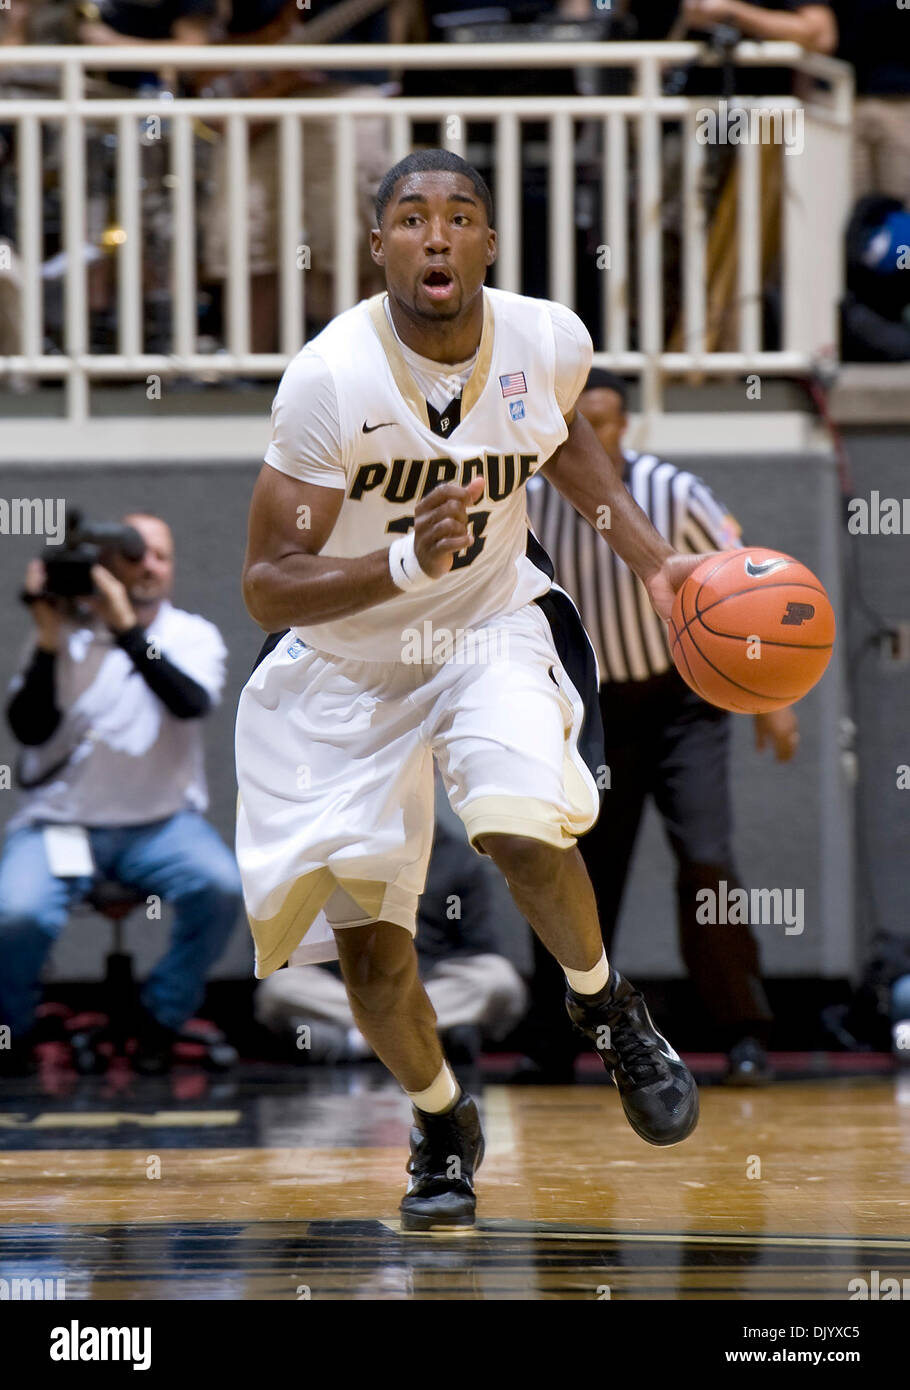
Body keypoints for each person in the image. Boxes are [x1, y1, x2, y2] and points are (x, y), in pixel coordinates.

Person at [235, 149, 705, 1234]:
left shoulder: (544, 340)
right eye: (410, 216)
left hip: (484, 630)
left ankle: (607, 1007)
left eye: (458, 216)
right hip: (343, 669)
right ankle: (442, 1121)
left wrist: (649, 559)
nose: (435, 234)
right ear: (380, 245)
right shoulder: (327, 380)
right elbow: (266, 585)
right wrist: (399, 565)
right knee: (369, 953)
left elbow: (561, 436)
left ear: (488, 244)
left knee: (514, 822)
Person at [525, 369, 799, 1085]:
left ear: (625, 426)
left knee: (707, 857)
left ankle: (742, 1032)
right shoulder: (528, 500)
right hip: (593, 712)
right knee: (580, 870)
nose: (601, 433)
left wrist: (773, 699)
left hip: (683, 707)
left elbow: (745, 588)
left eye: (610, 420)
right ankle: (557, 1041)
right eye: (586, 421)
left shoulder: (672, 492)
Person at [0, 513, 242, 1076]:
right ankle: (15, 1030)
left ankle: (160, 1018)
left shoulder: (190, 635)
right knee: (16, 914)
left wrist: (127, 628)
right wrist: (47, 635)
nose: (149, 566)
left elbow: (188, 702)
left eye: (161, 555)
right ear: (104, 565)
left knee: (222, 889)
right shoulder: (63, 636)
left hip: (161, 824)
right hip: (60, 823)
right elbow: (29, 729)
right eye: (135, 555)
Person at [254, 772, 529, 1064]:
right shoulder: (328, 850)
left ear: (433, 782)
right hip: (349, 987)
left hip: (428, 987)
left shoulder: (460, 861)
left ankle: (359, 1042)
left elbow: (478, 950)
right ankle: (417, 1037)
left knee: (500, 983)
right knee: (279, 988)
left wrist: (414, 985)